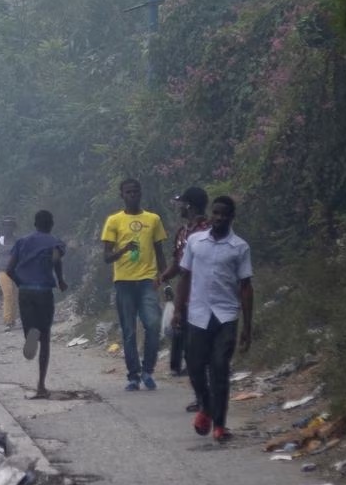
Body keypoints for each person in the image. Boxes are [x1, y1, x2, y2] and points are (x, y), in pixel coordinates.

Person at [176, 195, 254, 443]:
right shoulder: (195, 241)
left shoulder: (239, 247)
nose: (219, 218)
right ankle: (206, 407)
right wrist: (178, 310)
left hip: (226, 315)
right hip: (197, 314)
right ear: (211, 214)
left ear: (232, 217)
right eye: (216, 213)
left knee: (220, 367)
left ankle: (219, 425)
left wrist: (248, 326)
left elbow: (245, 286)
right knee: (196, 366)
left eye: (224, 214)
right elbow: (185, 277)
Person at [100, 178, 169, 392]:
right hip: (124, 282)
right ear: (122, 195)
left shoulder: (153, 219)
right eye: (128, 192)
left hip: (148, 281)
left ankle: (148, 370)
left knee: (153, 325)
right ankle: (133, 375)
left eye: (136, 191)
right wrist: (125, 249)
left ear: (141, 193)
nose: (133, 195)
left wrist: (164, 279)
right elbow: (107, 257)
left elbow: (159, 253)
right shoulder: (114, 221)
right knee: (129, 331)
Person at [4, 211, 68, 398]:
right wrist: (61, 280)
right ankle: (41, 385)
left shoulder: (22, 242)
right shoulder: (55, 242)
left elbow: (9, 269)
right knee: (46, 338)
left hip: (26, 291)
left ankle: (31, 336)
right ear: (51, 224)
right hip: (44, 292)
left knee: (31, 330)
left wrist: (21, 283)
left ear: (35, 224)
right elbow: (56, 260)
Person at [164, 186, 211, 398]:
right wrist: (162, 278)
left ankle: (205, 398)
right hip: (187, 297)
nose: (179, 207)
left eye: (182, 203)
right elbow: (178, 264)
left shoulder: (207, 232)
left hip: (206, 297)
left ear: (189, 206)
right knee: (191, 351)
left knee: (201, 351)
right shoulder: (183, 232)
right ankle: (201, 397)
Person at [0, 215, 21, 327]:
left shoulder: (18, 241)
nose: (8, 228)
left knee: (15, 295)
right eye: (5, 226)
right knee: (8, 294)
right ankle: (7, 320)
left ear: (13, 228)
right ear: (3, 227)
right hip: (2, 270)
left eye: (10, 226)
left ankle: (12, 319)